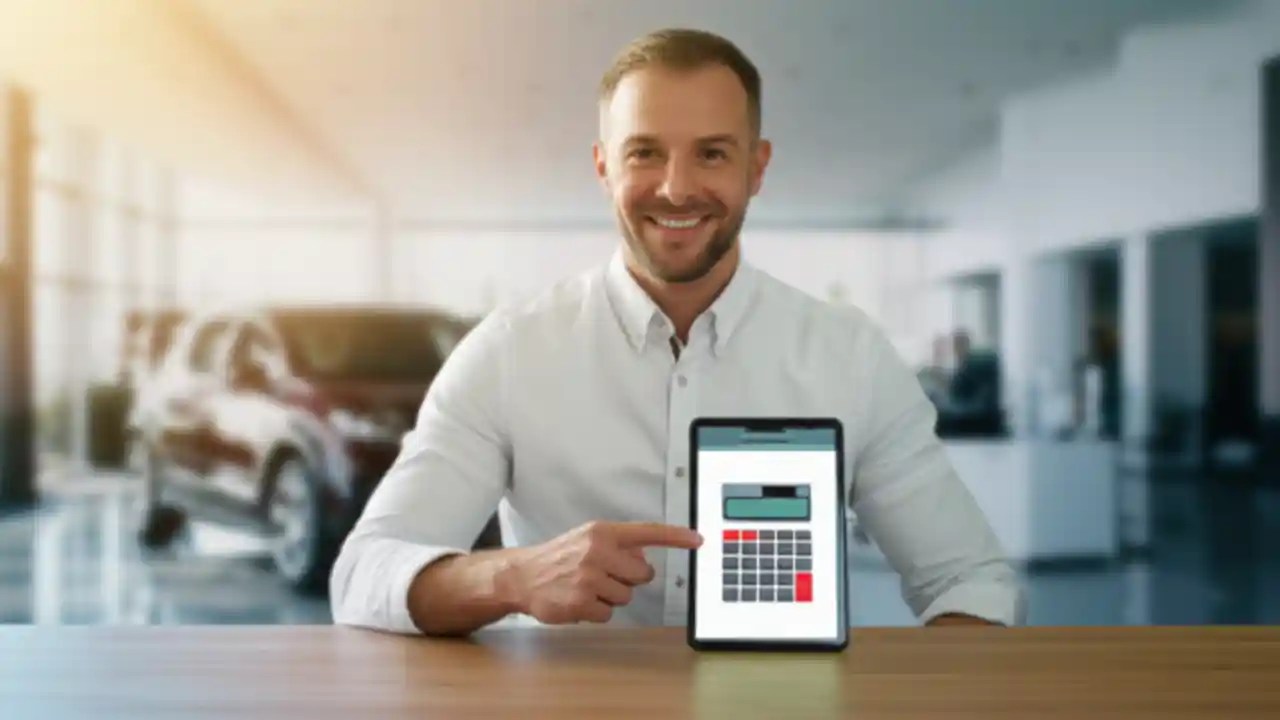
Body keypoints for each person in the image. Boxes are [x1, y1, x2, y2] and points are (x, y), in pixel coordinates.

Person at [330, 28, 1024, 636]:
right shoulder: (510, 352)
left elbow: (974, 584)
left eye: (713, 154)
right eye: (644, 154)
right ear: (603, 167)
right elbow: (363, 574)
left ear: (758, 168)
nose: (676, 187)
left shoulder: (851, 357)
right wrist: (513, 578)